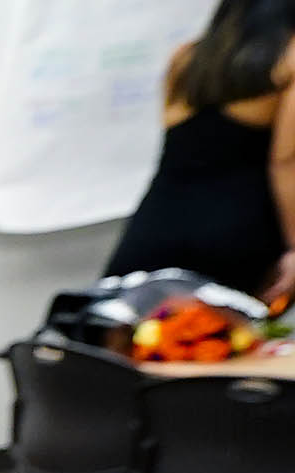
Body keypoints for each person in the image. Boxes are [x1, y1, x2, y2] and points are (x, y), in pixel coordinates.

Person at [106, 0, 295, 306]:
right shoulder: (288, 60)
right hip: (238, 227)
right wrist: (293, 247)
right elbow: (286, 161)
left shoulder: (185, 57)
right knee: (223, 342)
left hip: (155, 222)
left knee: (125, 337)